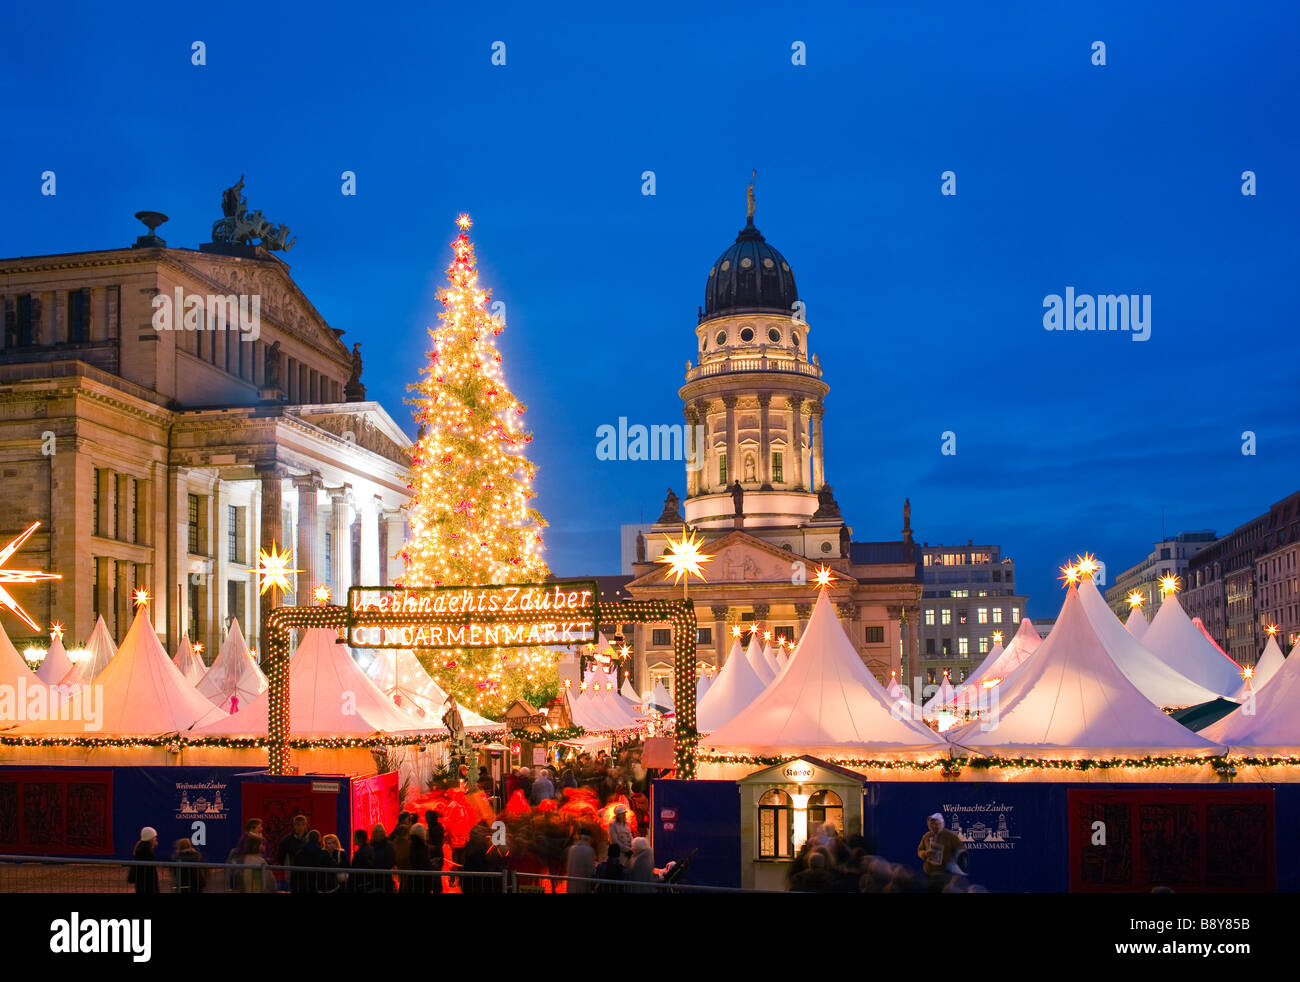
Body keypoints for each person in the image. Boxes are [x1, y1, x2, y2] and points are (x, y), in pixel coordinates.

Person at [917, 812, 966, 877]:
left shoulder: (951, 836)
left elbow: (962, 852)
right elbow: (920, 851)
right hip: (929, 873)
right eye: (932, 824)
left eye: (937, 824)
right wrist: (925, 853)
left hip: (946, 875)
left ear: (943, 824)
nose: (934, 826)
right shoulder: (926, 837)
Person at [275, 814, 310, 890]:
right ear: (294, 825)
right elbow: (280, 856)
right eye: (298, 825)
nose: (300, 827)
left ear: (306, 825)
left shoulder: (310, 839)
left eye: (302, 824)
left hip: (308, 874)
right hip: (293, 873)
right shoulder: (287, 841)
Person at [401, 823, 434, 894]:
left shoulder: (410, 845)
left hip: (411, 881)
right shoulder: (422, 848)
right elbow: (423, 864)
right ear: (423, 834)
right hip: (422, 882)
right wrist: (431, 865)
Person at [564, 827, 597, 894]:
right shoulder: (589, 850)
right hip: (583, 885)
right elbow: (591, 871)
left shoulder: (572, 849)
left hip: (571, 885)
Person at [128, 827, 159, 894]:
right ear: (150, 838)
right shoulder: (146, 851)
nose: (155, 839)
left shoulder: (141, 848)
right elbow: (149, 873)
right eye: (154, 837)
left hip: (142, 884)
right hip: (146, 885)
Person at [369, 824, 397, 893]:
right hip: (384, 877)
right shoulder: (389, 846)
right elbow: (392, 861)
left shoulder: (370, 846)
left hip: (375, 877)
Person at [424, 811, 445, 894]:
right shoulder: (436, 827)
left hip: (436, 857)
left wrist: (425, 845)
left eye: (427, 817)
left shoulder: (435, 829)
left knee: (435, 879)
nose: (426, 819)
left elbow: (436, 846)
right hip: (436, 856)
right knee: (435, 878)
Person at [349, 829, 374, 894]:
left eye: (354, 837)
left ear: (359, 838)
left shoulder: (361, 853)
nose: (353, 839)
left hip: (362, 884)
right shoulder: (368, 849)